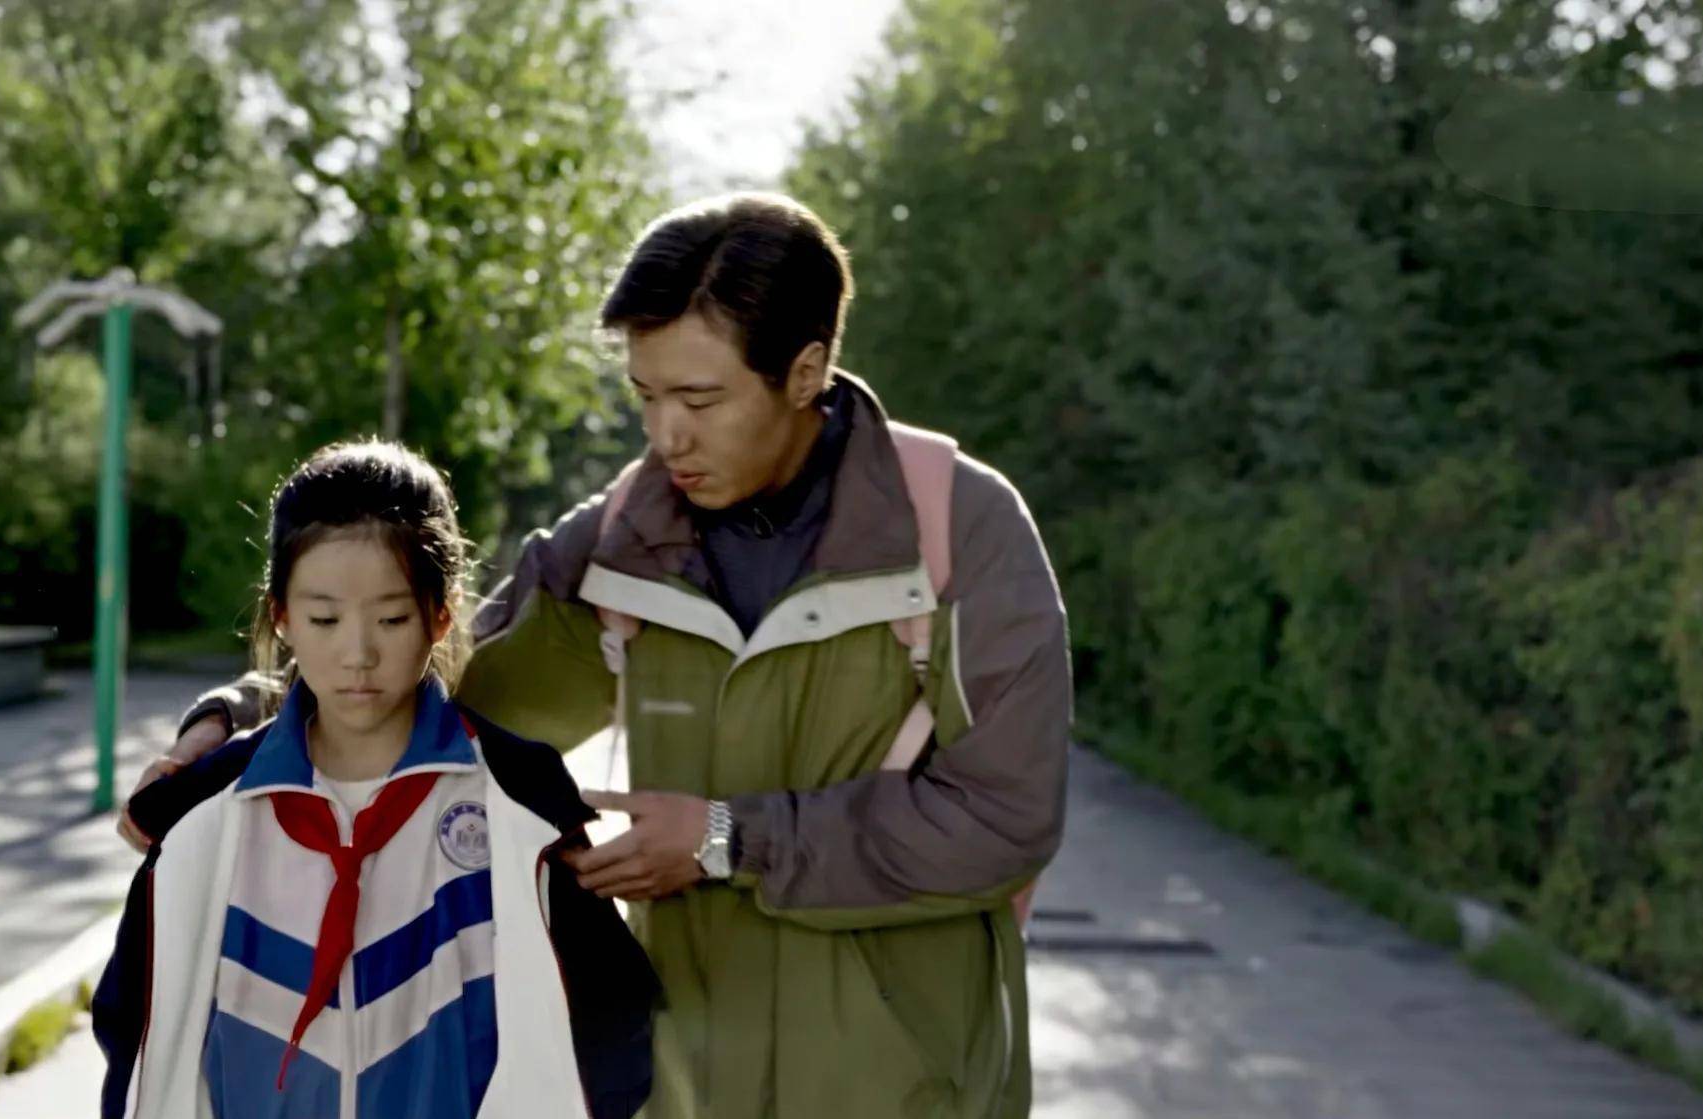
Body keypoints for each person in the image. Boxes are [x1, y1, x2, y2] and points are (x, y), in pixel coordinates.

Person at [136, 193, 1071, 1119]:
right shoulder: (629, 535)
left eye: (699, 399)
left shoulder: (958, 531)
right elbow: (432, 677)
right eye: (645, 396)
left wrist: (725, 838)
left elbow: (1005, 818)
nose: (666, 435)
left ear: (805, 370)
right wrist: (238, 719)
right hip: (686, 1088)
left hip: (909, 1085)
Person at [90, 440, 656, 1119]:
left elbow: (611, 1025)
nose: (357, 653)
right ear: (281, 615)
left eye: (391, 618)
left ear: (440, 614)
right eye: (324, 619)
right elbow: (136, 1036)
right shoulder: (205, 816)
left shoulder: (518, 803)